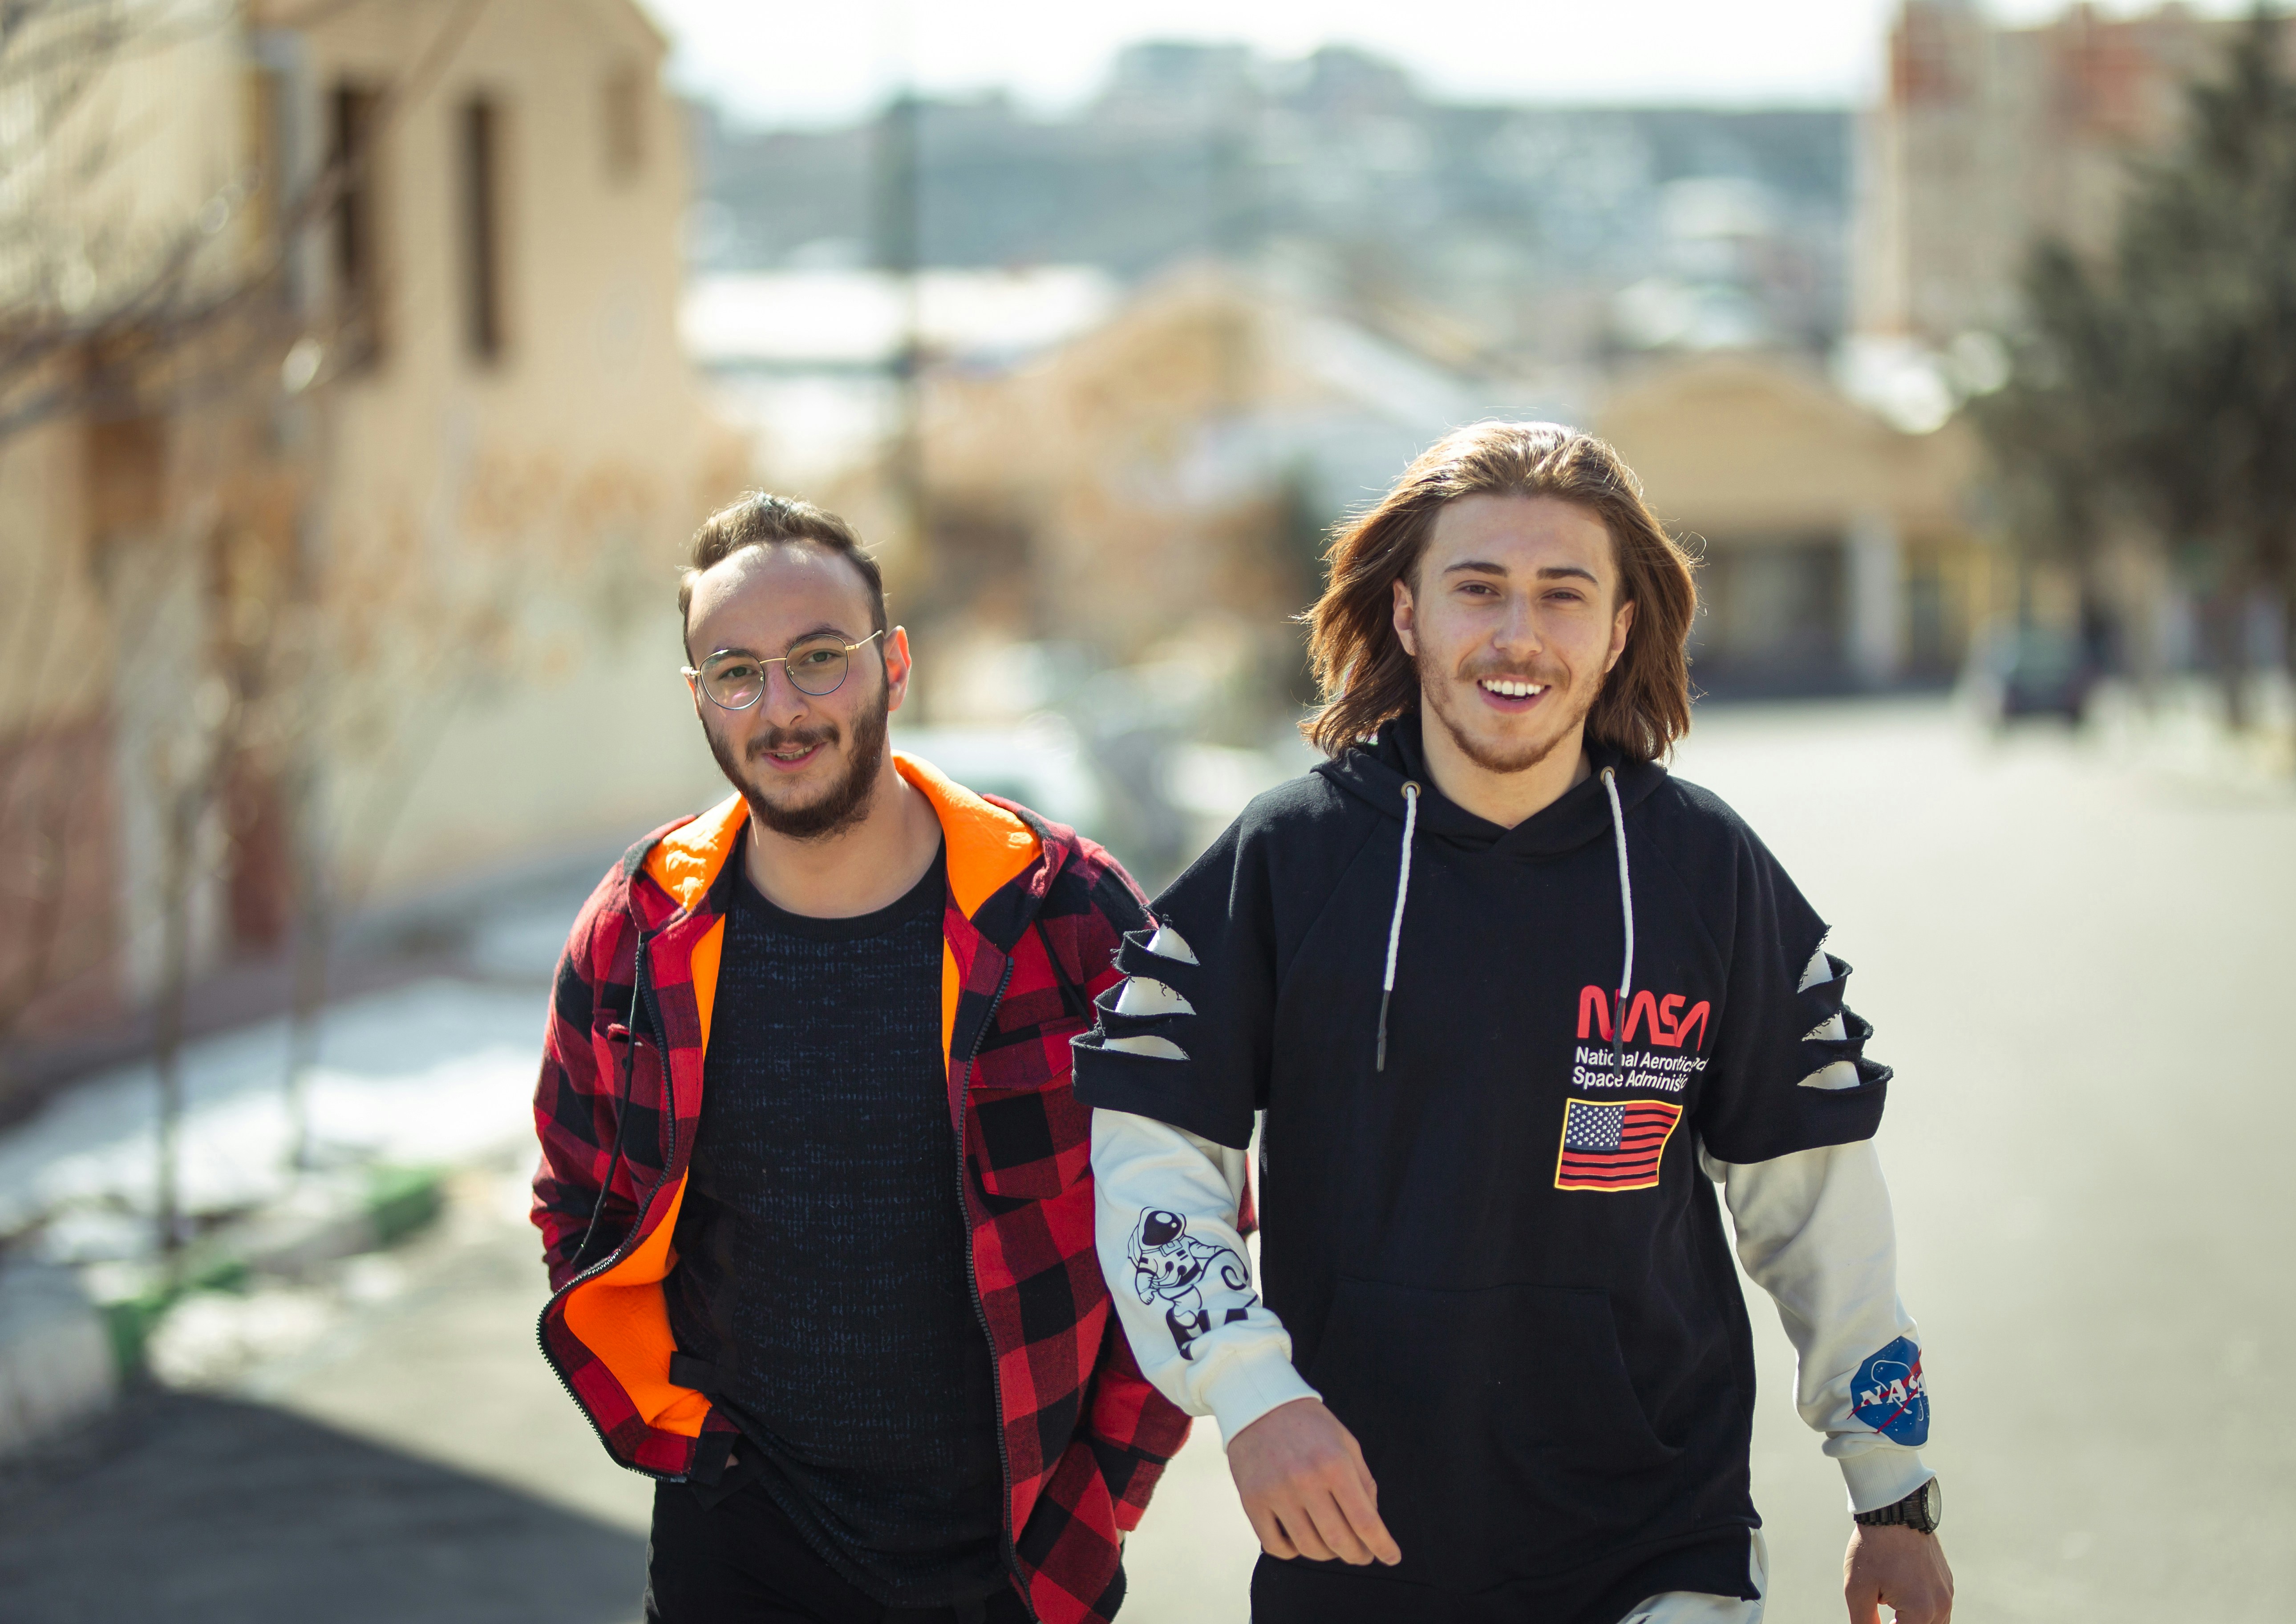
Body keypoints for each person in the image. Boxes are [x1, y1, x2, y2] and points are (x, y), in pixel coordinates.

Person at [1072, 423, 1956, 1624]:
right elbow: (1153, 1155)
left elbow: (1816, 1206)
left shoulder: (1707, 872)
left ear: (1621, 629)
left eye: (1562, 594)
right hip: (1358, 1548)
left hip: (1660, 1547)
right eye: (1476, 589)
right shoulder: (1288, 862)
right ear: (1406, 616)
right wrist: (1254, 1393)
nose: (1517, 635)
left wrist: (1891, 1493)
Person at [531, 493, 1187, 1624]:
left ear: (895, 664)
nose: (780, 708)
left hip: (1020, 1561)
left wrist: (1102, 1492)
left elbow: (1184, 1215)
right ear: (700, 699)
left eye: (820, 659)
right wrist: (686, 1435)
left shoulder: (1068, 914)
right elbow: (577, 1199)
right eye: (736, 672)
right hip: (741, 1548)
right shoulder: (640, 932)